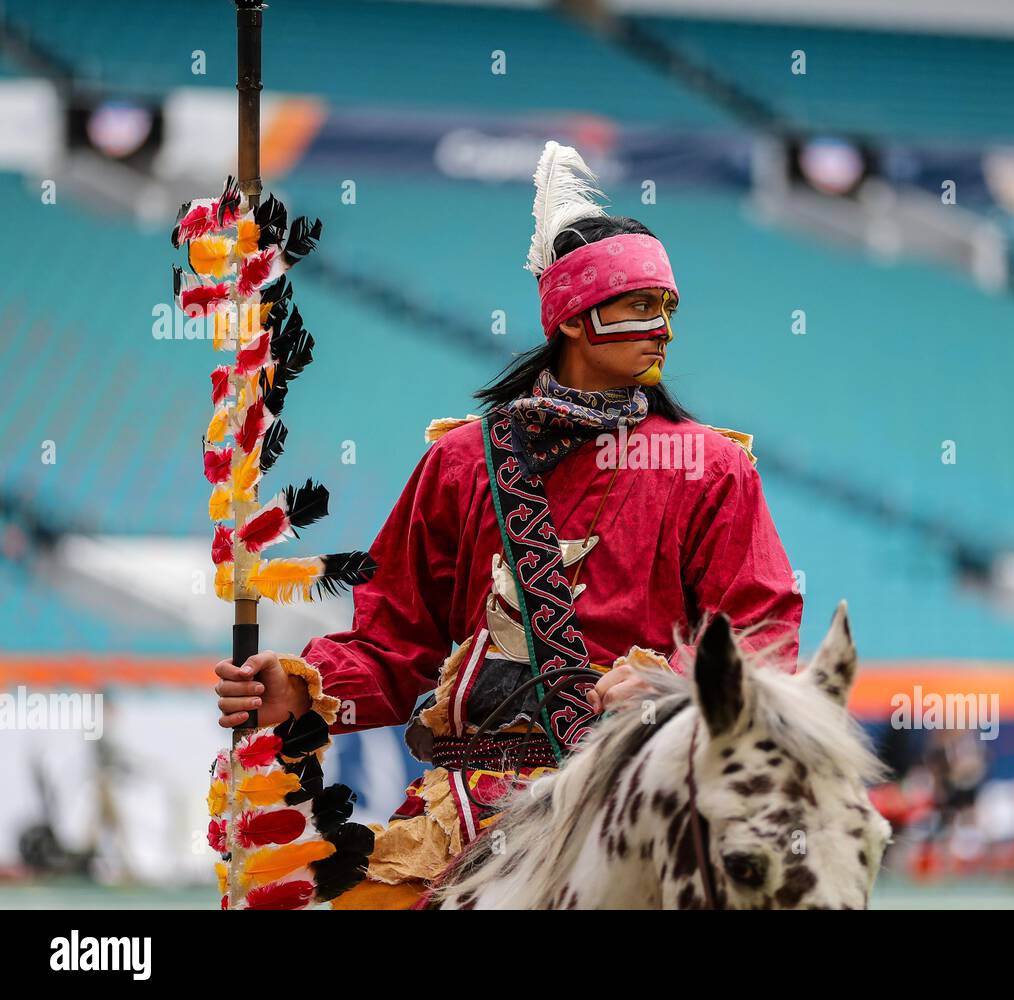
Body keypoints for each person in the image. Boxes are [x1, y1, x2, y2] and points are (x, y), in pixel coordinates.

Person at [210, 141, 802, 906]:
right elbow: (393, 643)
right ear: (579, 320)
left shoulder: (711, 467)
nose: (665, 330)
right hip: (466, 806)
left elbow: (763, 647)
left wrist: (674, 688)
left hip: (641, 797)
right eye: (642, 306)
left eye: (669, 310)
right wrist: (304, 690)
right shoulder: (463, 462)